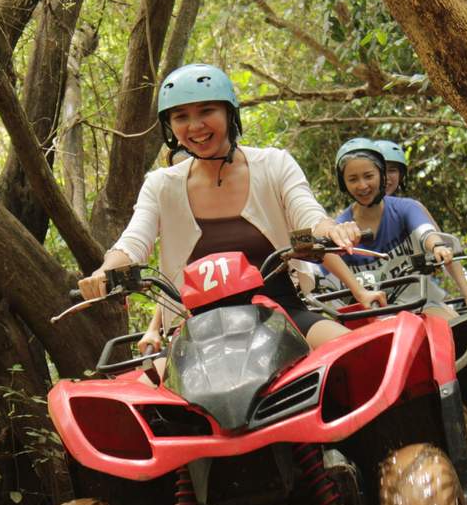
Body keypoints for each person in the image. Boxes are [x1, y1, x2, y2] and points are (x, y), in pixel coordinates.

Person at [78, 64, 386, 356]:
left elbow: (309, 215)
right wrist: (105, 272)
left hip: (280, 310)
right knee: (157, 397)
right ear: (170, 126)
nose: (195, 126)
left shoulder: (274, 164)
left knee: (358, 356)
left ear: (229, 112)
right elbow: (133, 244)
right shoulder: (160, 185)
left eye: (206, 111)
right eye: (181, 116)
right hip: (195, 327)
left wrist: (333, 229)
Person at [333, 137, 467, 310]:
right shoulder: (339, 228)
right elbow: (324, 269)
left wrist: (438, 247)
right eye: (353, 179)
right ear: (343, 183)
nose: (362, 185)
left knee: (450, 330)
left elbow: (426, 233)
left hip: (420, 305)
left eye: (368, 176)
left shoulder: (407, 208)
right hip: (370, 316)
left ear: (381, 176)